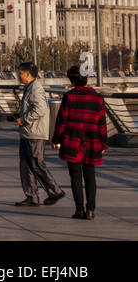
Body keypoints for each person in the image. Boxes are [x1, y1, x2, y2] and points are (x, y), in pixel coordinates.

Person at [51, 65, 109, 220]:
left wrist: (56, 139)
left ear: (72, 81)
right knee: (90, 175)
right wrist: (104, 143)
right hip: (92, 140)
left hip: (73, 140)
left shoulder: (69, 97)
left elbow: (61, 121)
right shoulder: (97, 98)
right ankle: (90, 210)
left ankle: (79, 210)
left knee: (75, 175)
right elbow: (102, 123)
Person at [14, 61, 66, 207]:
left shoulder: (35, 88)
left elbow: (40, 109)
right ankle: (32, 196)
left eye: (20, 73)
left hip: (35, 133)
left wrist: (24, 119)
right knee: (26, 166)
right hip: (28, 132)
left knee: (36, 164)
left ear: (27, 74)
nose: (18, 75)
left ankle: (55, 191)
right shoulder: (30, 87)